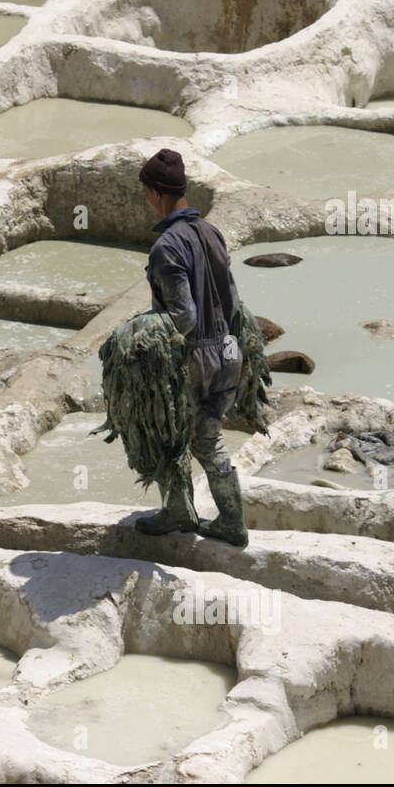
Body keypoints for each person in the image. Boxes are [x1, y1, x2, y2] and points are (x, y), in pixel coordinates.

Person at [133, 148, 248, 547]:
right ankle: (231, 521)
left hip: (193, 359)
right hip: (229, 352)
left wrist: (140, 333)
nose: (145, 201)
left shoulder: (167, 247)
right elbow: (232, 302)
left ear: (155, 192)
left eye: (145, 193)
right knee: (208, 438)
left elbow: (184, 316)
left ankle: (178, 510)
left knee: (164, 431)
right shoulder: (212, 233)